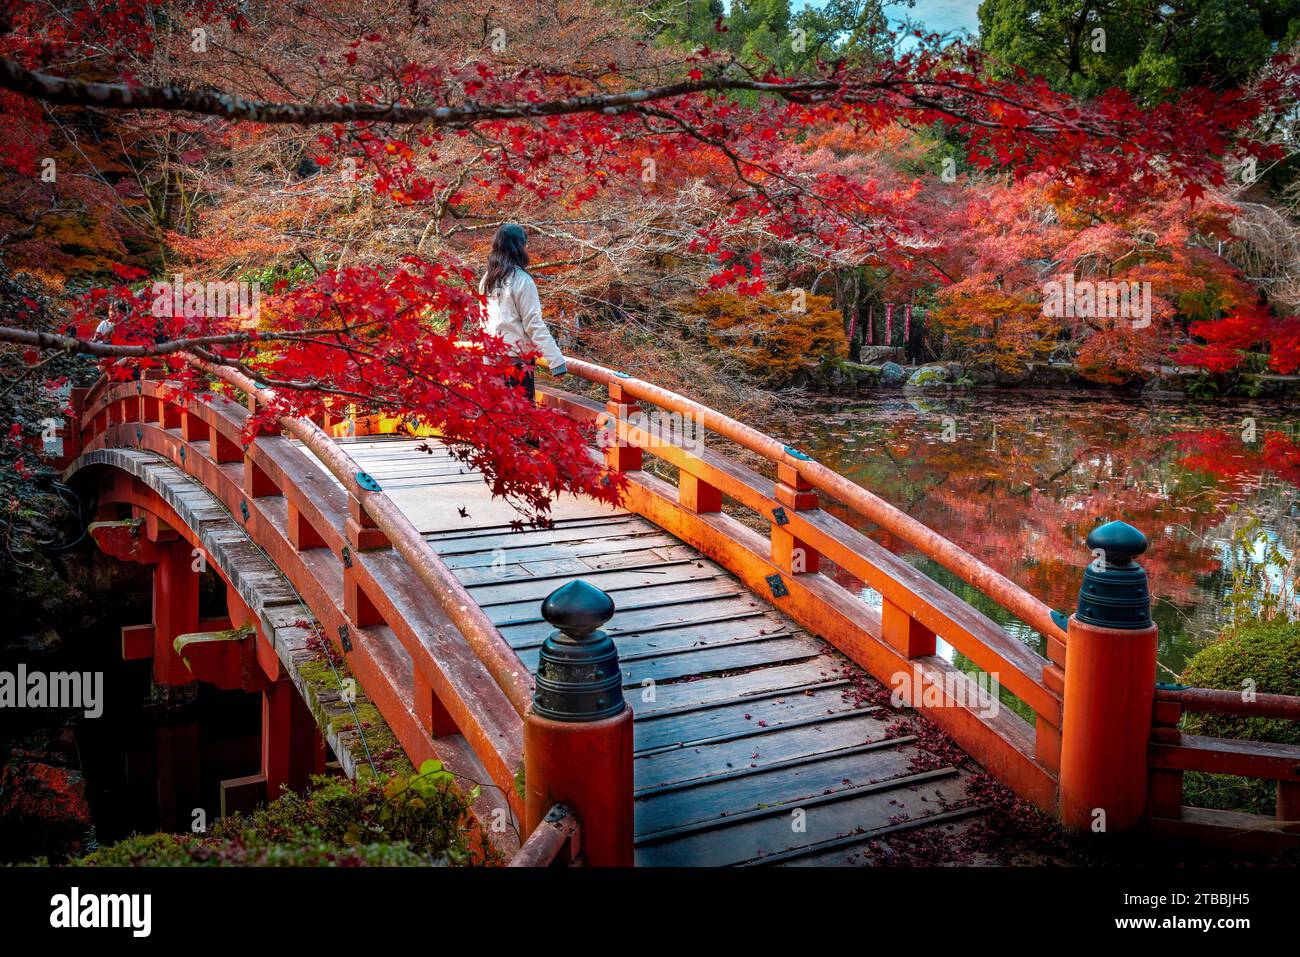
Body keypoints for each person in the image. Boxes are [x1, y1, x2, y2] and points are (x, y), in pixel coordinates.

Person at [479, 223, 567, 401]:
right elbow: (533, 324)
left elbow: (484, 322)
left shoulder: (487, 279)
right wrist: (556, 362)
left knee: (497, 418)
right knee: (520, 419)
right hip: (516, 364)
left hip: (491, 360)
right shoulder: (521, 280)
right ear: (518, 247)